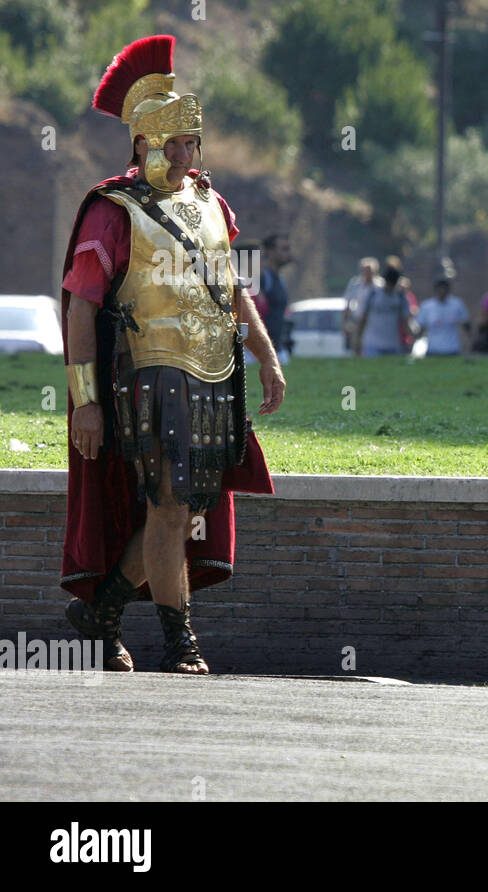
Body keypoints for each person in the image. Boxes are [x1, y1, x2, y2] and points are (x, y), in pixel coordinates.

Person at [59, 34, 282, 674]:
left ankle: (100, 612)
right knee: (169, 505)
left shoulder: (212, 204)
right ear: (143, 142)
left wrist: (267, 355)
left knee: (183, 509)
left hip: (214, 376)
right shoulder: (113, 211)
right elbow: (81, 306)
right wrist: (86, 404)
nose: (187, 154)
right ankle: (180, 640)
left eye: (193, 142)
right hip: (148, 377)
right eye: (176, 142)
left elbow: (233, 288)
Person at [355, 264, 413, 357]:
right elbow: (363, 319)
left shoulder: (400, 297)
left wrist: (409, 340)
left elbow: (405, 321)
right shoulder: (373, 294)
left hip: (393, 344)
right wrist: (358, 341)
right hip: (372, 344)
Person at [258, 233, 293, 365]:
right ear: (270, 251)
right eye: (284, 249)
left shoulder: (279, 278)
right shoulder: (261, 278)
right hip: (261, 351)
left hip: (277, 348)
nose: (288, 253)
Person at [415, 278, 470, 357]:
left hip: (452, 350)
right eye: (440, 288)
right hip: (433, 350)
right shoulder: (426, 306)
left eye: (444, 288)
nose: (442, 291)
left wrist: (468, 344)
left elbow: (466, 325)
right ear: (435, 290)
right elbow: (421, 329)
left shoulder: (457, 304)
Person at [342, 257, 379, 355]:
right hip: (358, 319)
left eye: (369, 271)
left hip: (374, 321)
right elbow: (348, 304)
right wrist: (345, 323)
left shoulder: (379, 286)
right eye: (365, 271)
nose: (367, 274)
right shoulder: (355, 284)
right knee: (357, 345)